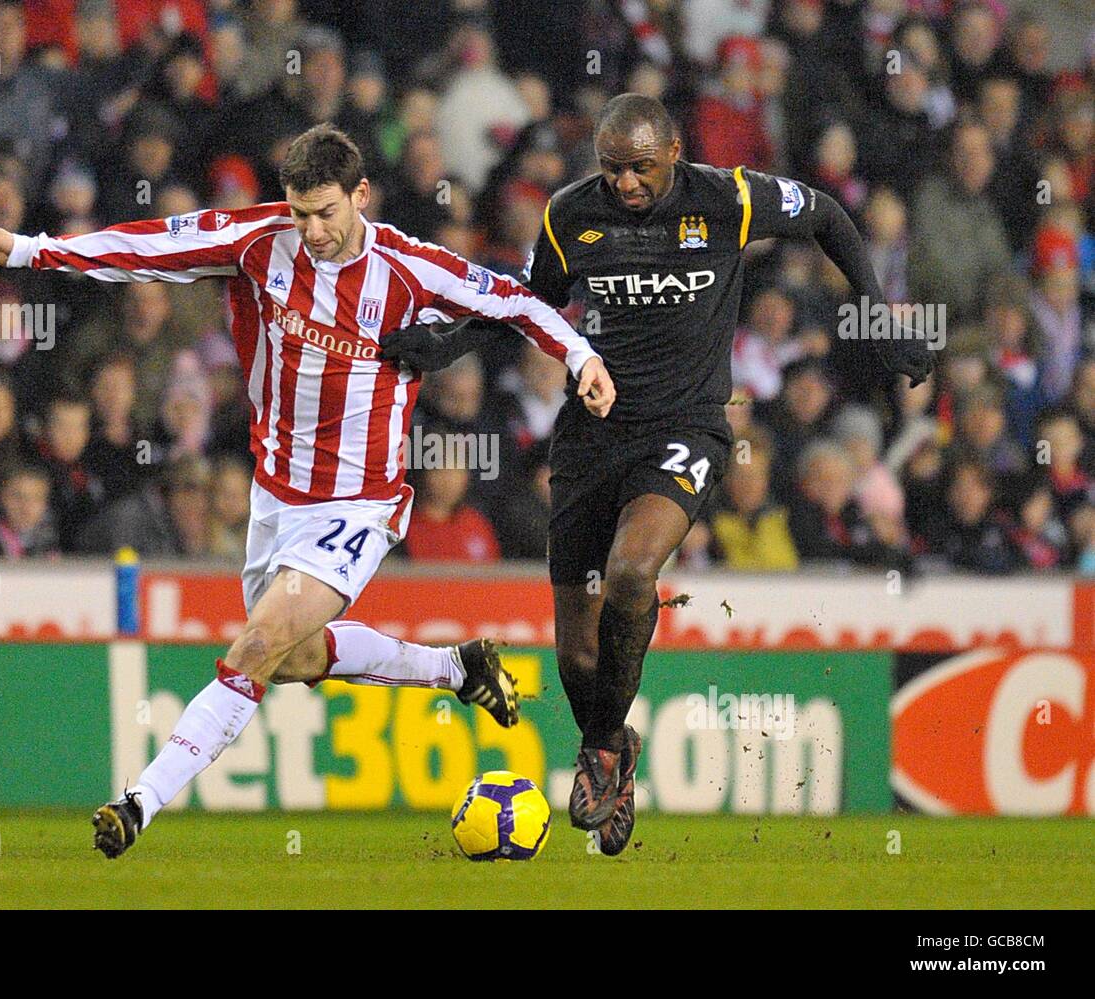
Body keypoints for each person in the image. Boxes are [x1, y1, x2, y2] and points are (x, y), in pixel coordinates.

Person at [0, 122, 615, 858]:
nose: (311, 230)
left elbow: (516, 303)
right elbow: (145, 247)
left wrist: (582, 357)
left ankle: (138, 801)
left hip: (359, 503)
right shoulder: (258, 241)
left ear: (360, 195)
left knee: (258, 644)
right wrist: (27, 250)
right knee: (294, 658)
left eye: (326, 213)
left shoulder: (410, 267)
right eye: (299, 213)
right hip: (276, 499)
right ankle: (456, 668)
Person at [381, 92, 931, 855]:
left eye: (640, 168)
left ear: (674, 151)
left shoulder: (730, 198)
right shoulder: (571, 214)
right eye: (612, 170)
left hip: (685, 429)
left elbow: (829, 216)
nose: (627, 184)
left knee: (632, 572)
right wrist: (440, 345)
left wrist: (880, 319)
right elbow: (527, 305)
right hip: (592, 432)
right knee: (576, 650)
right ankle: (614, 745)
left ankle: (599, 755)